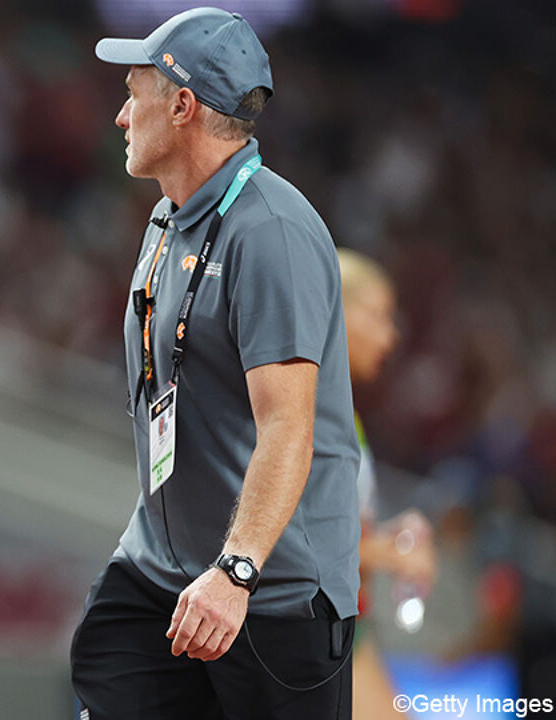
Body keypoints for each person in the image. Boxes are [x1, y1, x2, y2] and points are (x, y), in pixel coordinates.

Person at [71, 8, 360, 718]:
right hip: (159, 577)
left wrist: (235, 573)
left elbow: (288, 429)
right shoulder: (170, 217)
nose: (120, 116)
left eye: (133, 93)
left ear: (181, 105)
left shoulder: (272, 233)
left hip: (270, 596)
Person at [338, 248, 437, 718]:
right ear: (333, 310)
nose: (392, 336)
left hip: (348, 626)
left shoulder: (345, 415)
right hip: (310, 636)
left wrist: (390, 535)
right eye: (378, 317)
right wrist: (392, 555)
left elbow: (334, 524)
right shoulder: (309, 411)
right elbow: (292, 538)